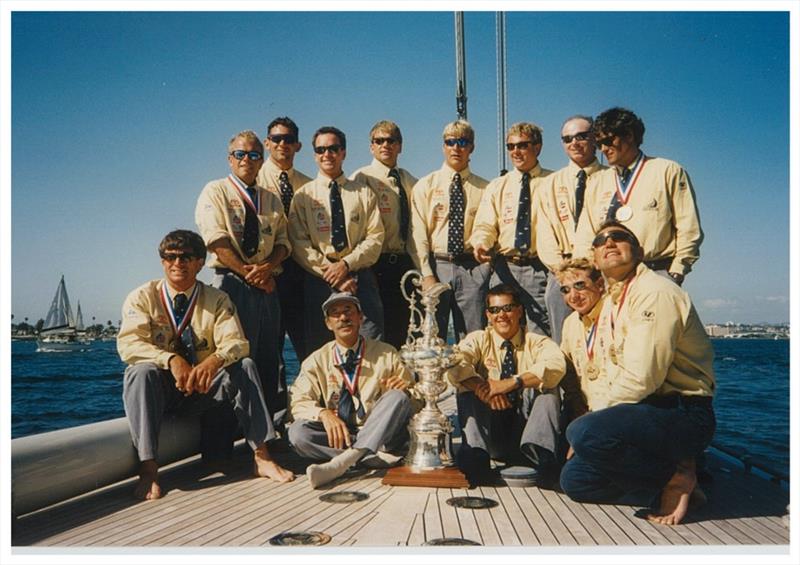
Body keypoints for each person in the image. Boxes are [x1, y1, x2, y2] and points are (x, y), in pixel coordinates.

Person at [118, 230, 294, 500]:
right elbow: (128, 345)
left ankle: (262, 457)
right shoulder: (142, 297)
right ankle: (149, 469)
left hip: (203, 391)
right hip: (163, 391)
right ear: (162, 261)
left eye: (187, 257)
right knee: (139, 372)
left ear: (201, 262)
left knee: (244, 365)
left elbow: (237, 343)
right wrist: (171, 359)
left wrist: (213, 362)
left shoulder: (217, 299)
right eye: (171, 257)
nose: (178, 263)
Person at [560, 221, 716, 526]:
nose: (609, 242)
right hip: (647, 412)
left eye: (620, 237)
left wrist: (592, 422)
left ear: (639, 250)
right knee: (576, 480)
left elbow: (643, 378)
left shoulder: (654, 292)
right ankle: (684, 479)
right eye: (601, 240)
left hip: (683, 412)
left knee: (584, 432)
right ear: (594, 258)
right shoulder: (617, 300)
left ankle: (677, 477)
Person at [195, 130, 291, 448]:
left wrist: (266, 268)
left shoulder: (271, 199)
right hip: (230, 285)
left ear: (261, 160)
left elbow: (283, 243)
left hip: (266, 286)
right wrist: (248, 273)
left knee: (269, 359)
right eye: (239, 154)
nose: (246, 161)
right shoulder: (216, 191)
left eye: (252, 155)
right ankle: (224, 442)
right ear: (229, 158)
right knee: (232, 359)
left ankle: (270, 436)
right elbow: (217, 239)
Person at [287, 292, 415, 489]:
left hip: (382, 434)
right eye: (335, 314)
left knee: (398, 397)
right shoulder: (316, 360)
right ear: (328, 324)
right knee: (298, 433)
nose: (343, 318)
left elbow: (416, 400)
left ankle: (343, 463)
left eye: (348, 311)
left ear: (360, 317)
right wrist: (324, 413)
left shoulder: (386, 352)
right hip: (344, 436)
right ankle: (367, 457)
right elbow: (298, 401)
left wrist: (405, 389)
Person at [447, 284, 566, 486]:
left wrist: (511, 383)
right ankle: (476, 458)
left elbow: (556, 365)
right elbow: (456, 362)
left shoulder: (537, 342)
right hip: (491, 428)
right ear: (488, 315)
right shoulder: (478, 339)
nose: (501, 315)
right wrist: (483, 388)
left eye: (507, 308)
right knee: (466, 389)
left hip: (526, 428)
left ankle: (540, 456)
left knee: (548, 388)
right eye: (494, 310)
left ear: (520, 311)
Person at [573, 107, 703, 285]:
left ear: (629, 135)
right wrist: (588, 273)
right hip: (608, 278)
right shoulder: (597, 181)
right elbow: (585, 234)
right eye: (598, 144)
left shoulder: (667, 170)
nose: (603, 149)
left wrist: (677, 270)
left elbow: (688, 227)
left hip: (655, 272)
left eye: (609, 140)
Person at [288, 126, 385, 355]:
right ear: (314, 155)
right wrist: (331, 273)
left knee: (373, 345)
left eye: (333, 148)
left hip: (360, 277)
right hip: (319, 279)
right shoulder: (303, 196)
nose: (327, 154)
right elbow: (299, 243)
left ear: (343, 152)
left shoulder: (363, 192)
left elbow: (375, 237)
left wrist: (346, 265)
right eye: (320, 149)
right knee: (320, 350)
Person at [411, 119, 489, 342]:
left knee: (474, 337)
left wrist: (485, 269)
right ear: (443, 146)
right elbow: (417, 235)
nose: (456, 147)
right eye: (451, 142)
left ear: (471, 147)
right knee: (431, 337)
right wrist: (426, 274)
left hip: (472, 268)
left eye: (463, 142)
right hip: (438, 265)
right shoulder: (426, 185)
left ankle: (472, 377)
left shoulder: (486, 188)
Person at [471, 122, 552, 336]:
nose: (515, 151)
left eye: (522, 145)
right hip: (504, 268)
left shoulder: (553, 182)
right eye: (510, 146)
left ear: (538, 147)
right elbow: (485, 224)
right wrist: (481, 243)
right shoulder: (498, 185)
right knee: (502, 329)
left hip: (539, 268)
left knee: (539, 331)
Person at [536, 116, 607, 344]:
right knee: (563, 337)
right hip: (561, 270)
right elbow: (545, 233)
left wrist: (591, 267)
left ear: (595, 138)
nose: (574, 143)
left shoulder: (611, 177)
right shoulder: (549, 183)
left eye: (581, 136)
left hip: (601, 268)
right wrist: (562, 272)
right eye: (567, 139)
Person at [351, 120, 419, 349]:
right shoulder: (361, 178)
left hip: (403, 263)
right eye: (378, 141)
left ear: (400, 146)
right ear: (371, 146)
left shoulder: (409, 180)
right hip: (375, 264)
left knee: (402, 331)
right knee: (374, 331)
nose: (385, 145)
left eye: (391, 140)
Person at [256, 117, 313, 365]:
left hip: (303, 274)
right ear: (267, 143)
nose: (283, 144)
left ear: (298, 145)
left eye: (289, 139)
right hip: (268, 272)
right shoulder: (253, 180)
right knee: (269, 349)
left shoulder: (309, 185)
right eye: (276, 139)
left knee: (309, 346)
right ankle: (273, 404)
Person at [555, 258, 605, 420]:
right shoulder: (570, 323)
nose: (574, 296)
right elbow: (566, 368)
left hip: (616, 405)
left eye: (580, 286)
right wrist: (576, 400)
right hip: (584, 408)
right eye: (566, 290)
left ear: (600, 284)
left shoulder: (614, 314)